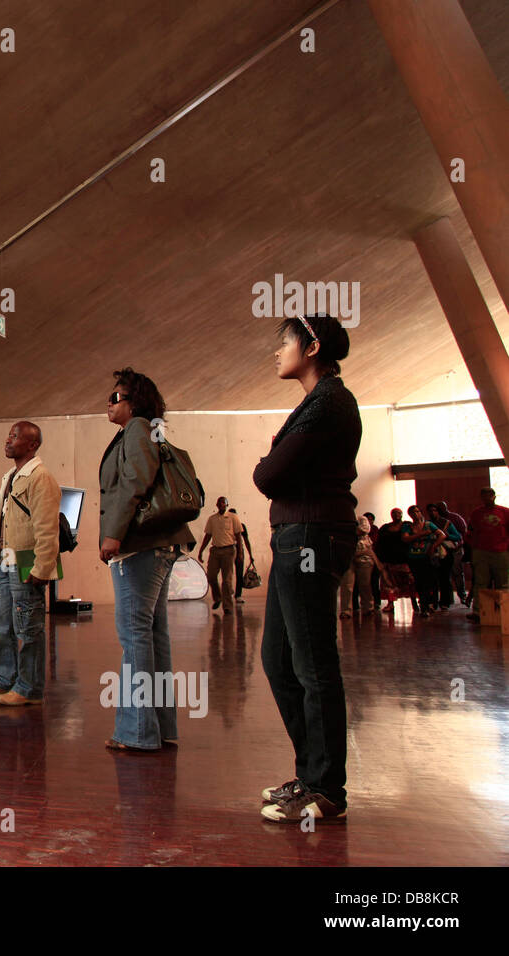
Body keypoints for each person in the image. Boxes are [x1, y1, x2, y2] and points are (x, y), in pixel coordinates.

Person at [253, 313, 359, 824]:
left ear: (312, 347)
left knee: (314, 665)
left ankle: (326, 788)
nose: (278, 352)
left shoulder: (329, 401)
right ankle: (312, 772)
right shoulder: (318, 402)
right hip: (297, 536)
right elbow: (278, 472)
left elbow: (268, 475)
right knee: (278, 660)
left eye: (286, 342)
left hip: (312, 536)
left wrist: (270, 460)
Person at [98, 368, 195, 752]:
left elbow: (135, 481)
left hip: (139, 545)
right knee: (153, 634)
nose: (109, 403)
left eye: (115, 397)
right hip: (160, 545)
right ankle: (160, 726)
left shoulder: (138, 429)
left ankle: (138, 731)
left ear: (134, 401)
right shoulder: (149, 430)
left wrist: (113, 533)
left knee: (134, 634)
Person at [0, 421, 61, 706]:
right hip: (5, 561)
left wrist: (42, 568)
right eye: (9, 435)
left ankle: (29, 688)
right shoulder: (12, 475)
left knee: (28, 628)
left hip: (26, 561)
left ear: (32, 444)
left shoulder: (40, 477)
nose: (8, 440)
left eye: (15, 436)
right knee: (2, 625)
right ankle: (3, 679)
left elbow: (47, 528)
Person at [467, 487, 509, 623]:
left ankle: (505, 611)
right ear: (481, 498)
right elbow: (471, 532)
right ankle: (478, 611)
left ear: (494, 496)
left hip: (501, 551)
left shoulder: (504, 512)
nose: (487, 498)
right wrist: (474, 550)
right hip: (481, 552)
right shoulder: (476, 513)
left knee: (503, 583)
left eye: (490, 495)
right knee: (480, 583)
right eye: (484, 496)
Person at [338, 516, 389, 618]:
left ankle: (368, 608)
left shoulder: (361, 519)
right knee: (347, 584)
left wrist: (345, 531)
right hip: (347, 555)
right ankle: (346, 610)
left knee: (365, 584)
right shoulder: (340, 520)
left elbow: (362, 530)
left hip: (364, 555)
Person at [197, 497, 240, 615]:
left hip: (229, 550)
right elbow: (208, 536)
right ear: (216, 505)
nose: (221, 504)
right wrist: (201, 550)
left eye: (223, 502)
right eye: (219, 502)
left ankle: (227, 606)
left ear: (227, 504)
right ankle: (218, 598)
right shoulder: (212, 519)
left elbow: (238, 536)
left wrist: (240, 553)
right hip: (215, 551)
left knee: (226, 580)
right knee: (211, 576)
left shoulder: (233, 517)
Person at [402, 505, 444, 618]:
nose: (415, 514)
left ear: (420, 513)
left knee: (429, 581)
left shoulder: (428, 525)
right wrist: (422, 534)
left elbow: (442, 535)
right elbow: (405, 538)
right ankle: (423, 606)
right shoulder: (408, 527)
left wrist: (433, 546)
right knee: (419, 581)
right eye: (412, 512)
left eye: (417, 512)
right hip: (414, 557)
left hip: (427, 556)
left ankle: (430, 604)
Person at [374, 508, 414, 613]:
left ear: (402, 514)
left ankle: (414, 602)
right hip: (388, 560)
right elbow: (379, 543)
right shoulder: (385, 528)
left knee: (409, 582)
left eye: (398, 513)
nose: (396, 515)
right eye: (394, 513)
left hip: (404, 560)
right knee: (389, 584)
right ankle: (390, 603)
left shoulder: (407, 526)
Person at [426, 502, 462, 610]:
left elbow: (457, 536)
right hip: (432, 553)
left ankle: (445, 602)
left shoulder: (446, 523)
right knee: (432, 579)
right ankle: (433, 602)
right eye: (430, 511)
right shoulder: (427, 524)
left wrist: (446, 536)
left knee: (445, 578)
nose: (433, 513)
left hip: (445, 554)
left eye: (435, 510)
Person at [434, 501, 469, 605]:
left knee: (457, 572)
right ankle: (448, 598)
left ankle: (462, 595)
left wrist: (451, 538)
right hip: (442, 550)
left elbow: (462, 533)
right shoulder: (435, 521)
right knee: (445, 575)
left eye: (442, 508)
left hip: (455, 549)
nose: (440, 510)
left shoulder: (455, 518)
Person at [230, 508, 254, 604]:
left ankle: (238, 595)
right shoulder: (225, 526)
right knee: (228, 573)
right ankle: (230, 591)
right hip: (228, 550)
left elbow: (246, 541)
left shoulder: (241, 526)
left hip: (239, 550)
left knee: (239, 574)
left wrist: (250, 555)